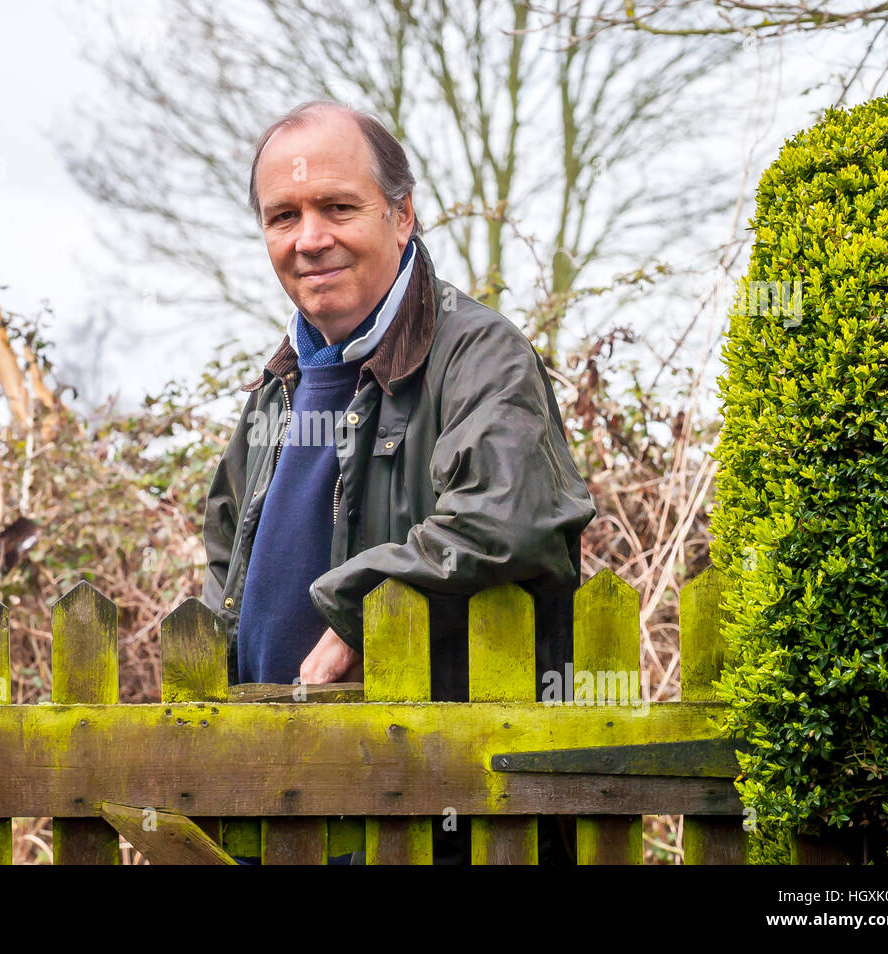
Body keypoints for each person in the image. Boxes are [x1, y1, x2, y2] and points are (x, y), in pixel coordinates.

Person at [200, 101, 597, 864]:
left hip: (440, 822)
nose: (309, 239)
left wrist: (357, 613)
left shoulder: (478, 357)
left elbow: (509, 522)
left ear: (402, 213)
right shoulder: (278, 386)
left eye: (338, 207)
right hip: (282, 812)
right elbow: (227, 542)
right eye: (283, 216)